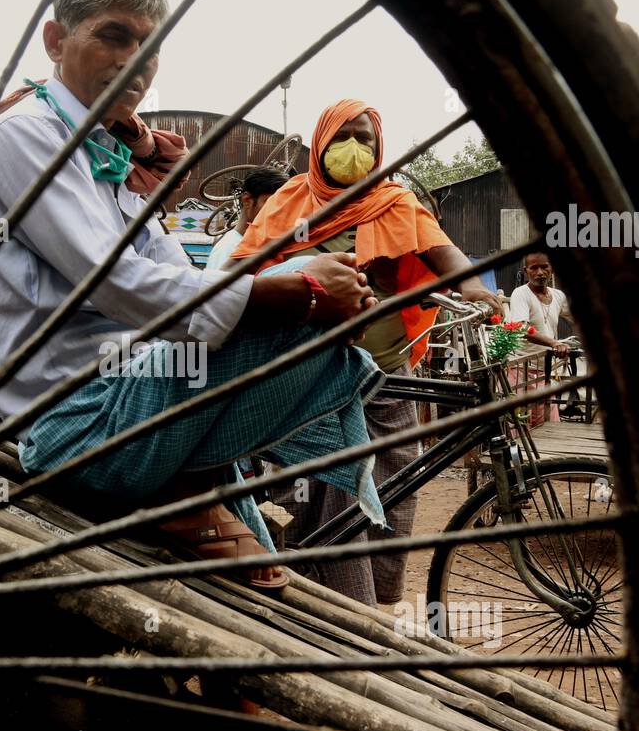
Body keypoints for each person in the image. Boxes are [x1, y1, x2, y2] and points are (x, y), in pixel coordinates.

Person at [0, 0, 387, 591]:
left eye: (149, 44)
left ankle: (191, 482)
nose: (136, 59)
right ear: (55, 39)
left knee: (260, 600)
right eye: (114, 35)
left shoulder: (114, 150)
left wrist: (302, 281)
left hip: (136, 389)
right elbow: (119, 282)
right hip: (71, 419)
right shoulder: (23, 138)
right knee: (295, 319)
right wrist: (292, 293)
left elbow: (166, 269)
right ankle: (183, 484)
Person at [231, 100, 500, 605]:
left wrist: (478, 292)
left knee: (396, 488)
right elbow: (239, 269)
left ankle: (375, 602)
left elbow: (445, 255)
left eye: (365, 139)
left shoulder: (395, 202)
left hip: (390, 375)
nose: (354, 149)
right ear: (320, 144)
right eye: (342, 138)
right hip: (309, 376)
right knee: (323, 492)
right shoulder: (290, 201)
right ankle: (325, 605)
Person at [505, 251, 575, 425]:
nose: (540, 272)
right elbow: (522, 328)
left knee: (548, 426)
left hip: (545, 370)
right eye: (534, 268)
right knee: (521, 427)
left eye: (544, 267)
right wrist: (554, 343)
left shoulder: (558, 296)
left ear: (552, 268)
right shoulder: (520, 294)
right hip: (521, 369)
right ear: (526, 270)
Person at [204, 166, 289, 271]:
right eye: (270, 203)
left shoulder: (259, 246)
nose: (278, 212)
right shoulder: (230, 249)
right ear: (247, 200)